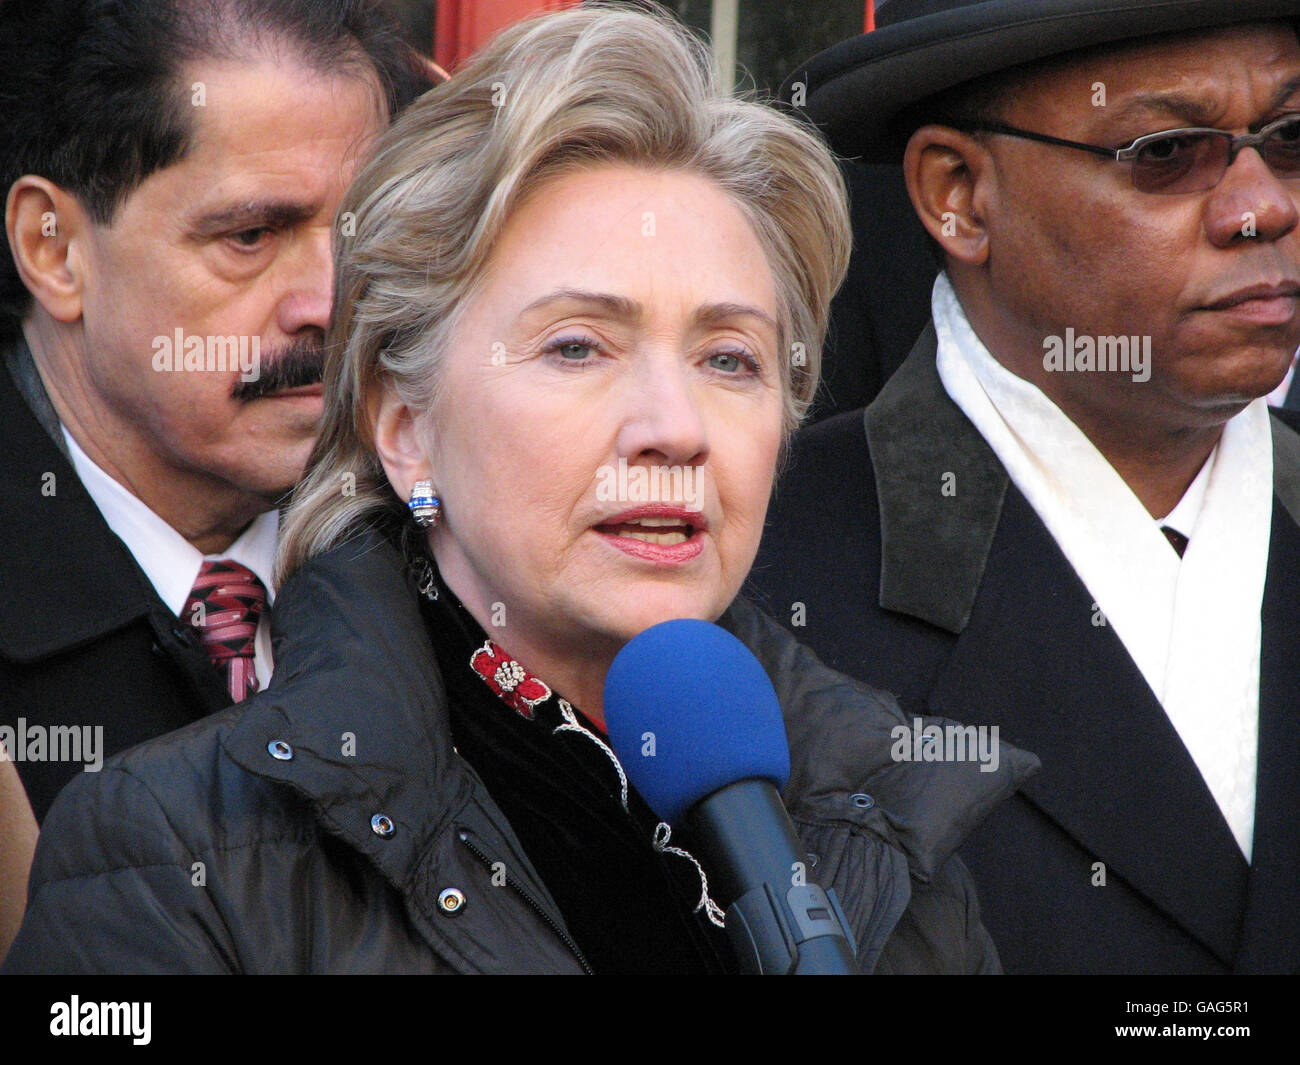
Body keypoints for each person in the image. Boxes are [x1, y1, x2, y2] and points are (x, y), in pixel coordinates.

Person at [3, 4, 1035, 975]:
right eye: (579, 346)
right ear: (406, 432)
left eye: (729, 359)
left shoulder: (896, 824)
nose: (672, 428)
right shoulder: (173, 851)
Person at [752, 0, 1300, 973]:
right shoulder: (754, 585)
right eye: (1165, 152)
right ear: (957, 192)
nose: (1260, 208)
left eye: (1290, 139)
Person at [0, 0, 429, 956]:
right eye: (251, 234)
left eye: (359, 230)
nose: (330, 299)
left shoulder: (461, 551)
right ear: (53, 247)